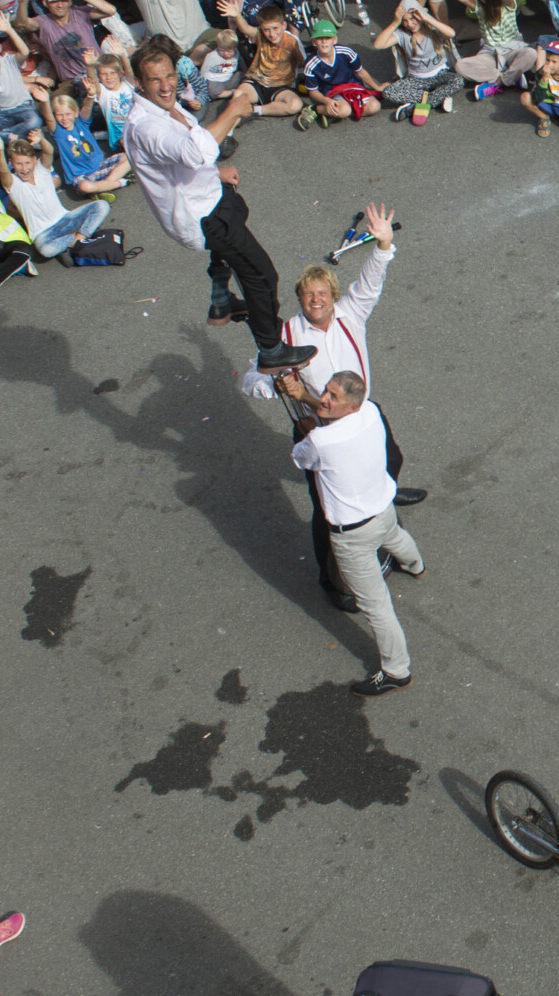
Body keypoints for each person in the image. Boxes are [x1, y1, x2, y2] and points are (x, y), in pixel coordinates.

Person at [242, 205, 425, 613]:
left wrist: (383, 243)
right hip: (319, 429)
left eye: (322, 293)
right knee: (328, 511)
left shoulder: (350, 313)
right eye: (308, 295)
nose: (316, 300)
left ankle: (382, 502)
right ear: (299, 299)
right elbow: (251, 378)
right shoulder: (285, 335)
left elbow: (371, 281)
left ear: (333, 296)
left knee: (391, 460)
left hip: (362, 414)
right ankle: (333, 583)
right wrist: (271, 385)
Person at [122, 38, 315, 374]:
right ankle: (271, 349)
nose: (166, 86)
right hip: (203, 218)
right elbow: (195, 151)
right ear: (139, 83)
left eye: (169, 76)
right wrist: (234, 110)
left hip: (211, 198)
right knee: (262, 276)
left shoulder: (167, 107)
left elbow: (189, 155)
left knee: (238, 207)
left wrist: (215, 172)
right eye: (154, 80)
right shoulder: (147, 127)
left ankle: (221, 299)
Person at [280, 368, 423, 697]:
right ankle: (416, 566)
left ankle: (397, 671)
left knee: (377, 607)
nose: (324, 399)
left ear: (352, 405)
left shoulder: (319, 441)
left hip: (352, 535)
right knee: (396, 539)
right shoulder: (370, 411)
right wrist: (309, 403)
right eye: (326, 391)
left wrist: (306, 432)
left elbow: (301, 459)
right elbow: (337, 423)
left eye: (333, 396)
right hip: (383, 511)